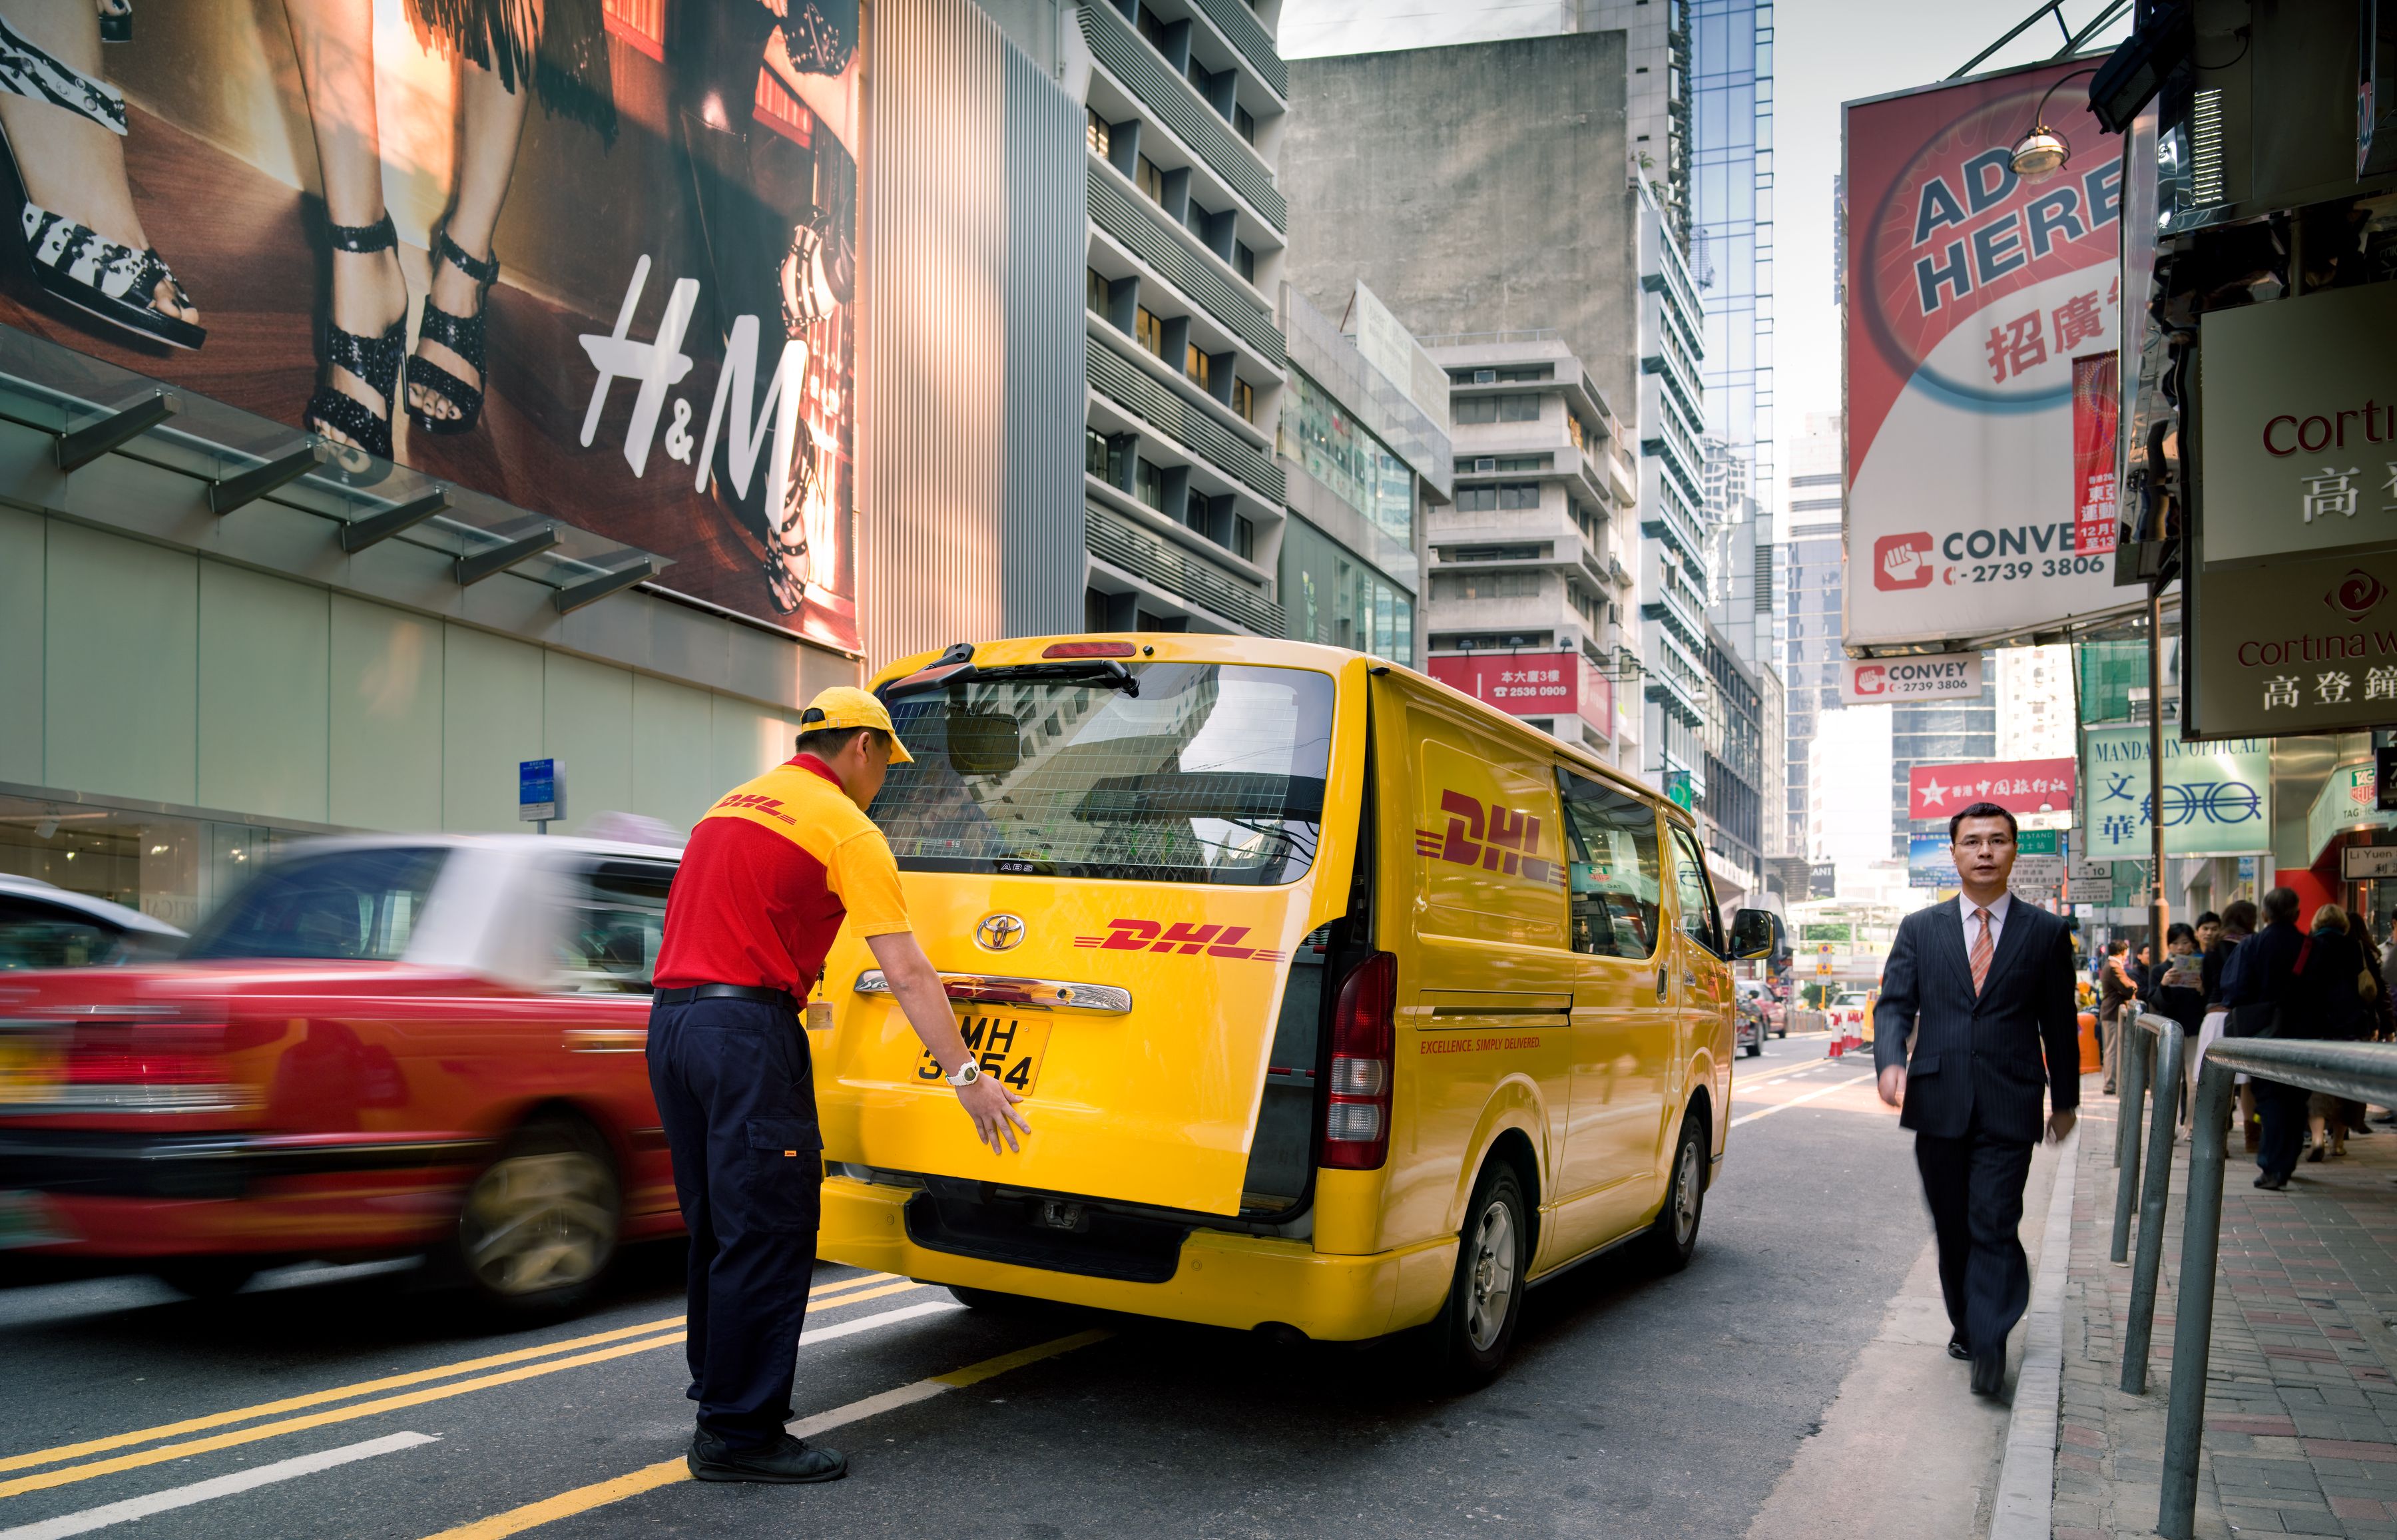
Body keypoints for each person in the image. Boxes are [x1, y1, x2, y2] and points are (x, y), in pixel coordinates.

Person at [647, 686, 1031, 1483]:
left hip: (675, 1027)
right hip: (746, 1033)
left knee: (720, 1225)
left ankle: (720, 1390)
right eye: (888, 763)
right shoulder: (847, 828)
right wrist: (968, 1075)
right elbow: (908, 970)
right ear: (863, 747)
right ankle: (739, 1436)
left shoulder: (729, 805)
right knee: (769, 1228)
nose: (885, 780)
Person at [1874, 801, 2080, 1398]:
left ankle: (1991, 1341)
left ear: (2014, 850)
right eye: (1972, 841)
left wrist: (2065, 1100)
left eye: (1997, 840)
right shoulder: (1921, 927)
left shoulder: (2045, 932)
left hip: (2010, 1100)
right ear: (1954, 853)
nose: (1984, 851)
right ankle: (1968, 1324)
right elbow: (1895, 1004)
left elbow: (2059, 1023)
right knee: (1954, 1226)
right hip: (1937, 1099)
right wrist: (1890, 1061)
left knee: (1994, 1220)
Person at [2220, 888, 2310, 1190]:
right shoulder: (2310, 946)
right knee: (2297, 1097)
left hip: (2262, 1031)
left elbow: (2234, 990)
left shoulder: (2251, 946)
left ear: (2264, 915)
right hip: (2303, 1033)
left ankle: (2272, 1166)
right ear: (2297, 914)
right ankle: (2289, 1159)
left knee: (2270, 1098)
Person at [2296, 905, 2374, 1161]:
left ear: (2317, 922)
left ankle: (2317, 1138)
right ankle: (2337, 1143)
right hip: (2351, 1023)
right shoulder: (2356, 947)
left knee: (2317, 1081)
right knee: (2346, 1083)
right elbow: (2372, 986)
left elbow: (2297, 981)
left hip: (2317, 1023)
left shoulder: (2309, 945)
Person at [2198, 904, 2253, 1140]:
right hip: (2244, 1017)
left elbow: (2206, 984)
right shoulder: (2252, 945)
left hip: (2215, 1016)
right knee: (2247, 1081)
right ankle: (2251, 1135)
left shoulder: (2213, 947)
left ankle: (2220, 1140)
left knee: (2219, 1081)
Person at [2154, 923, 2207, 1127]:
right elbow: (2156, 1002)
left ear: (2193, 943)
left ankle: (2190, 1125)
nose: (2180, 947)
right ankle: (2170, 1126)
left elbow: (2211, 1000)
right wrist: (2164, 985)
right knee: (2171, 1080)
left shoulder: (2203, 967)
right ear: (2169, 945)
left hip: (2194, 1030)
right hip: (2170, 1032)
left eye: (2185, 942)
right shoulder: (2160, 970)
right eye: (2175, 943)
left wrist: (2201, 989)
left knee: (2194, 1080)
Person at [2099, 940, 2137, 1095]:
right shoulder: (2114, 967)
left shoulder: (2111, 965)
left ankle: (2112, 1082)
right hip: (2113, 1012)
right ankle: (2111, 1084)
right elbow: (2129, 989)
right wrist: (2133, 984)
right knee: (2113, 1049)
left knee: (2111, 1049)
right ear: (2123, 952)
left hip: (2111, 1012)